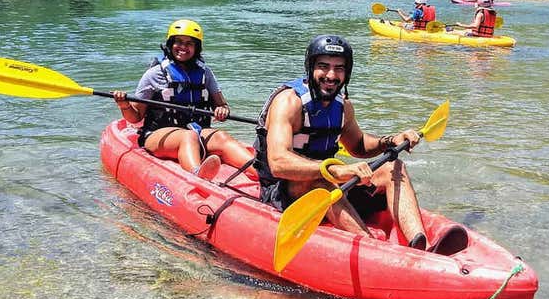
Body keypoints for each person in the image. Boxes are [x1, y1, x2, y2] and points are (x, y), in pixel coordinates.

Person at [253, 35, 466, 252]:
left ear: (347, 72)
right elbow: (278, 163)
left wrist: (391, 141)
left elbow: (359, 145)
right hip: (281, 190)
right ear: (311, 67)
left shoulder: (343, 106)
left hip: (330, 180)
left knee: (393, 167)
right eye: (323, 67)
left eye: (339, 68)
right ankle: (373, 249)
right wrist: (333, 171)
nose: (331, 75)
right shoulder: (289, 102)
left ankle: (422, 245)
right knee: (323, 185)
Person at [113, 19, 257, 181]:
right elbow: (136, 117)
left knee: (221, 137)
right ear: (170, 44)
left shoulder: (205, 73)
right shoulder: (155, 74)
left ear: (196, 48)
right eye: (178, 42)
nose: (183, 47)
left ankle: (264, 175)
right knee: (188, 136)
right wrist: (123, 104)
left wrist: (222, 110)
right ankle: (197, 175)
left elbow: (221, 104)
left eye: (189, 43)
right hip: (158, 135)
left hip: (197, 131)